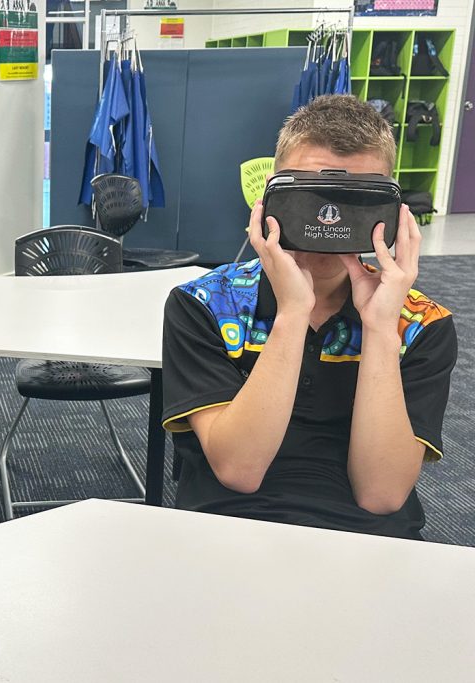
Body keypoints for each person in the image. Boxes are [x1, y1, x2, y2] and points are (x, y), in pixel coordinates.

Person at [161, 94, 457, 540]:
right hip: (229, 528)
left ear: (392, 214)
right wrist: (293, 313)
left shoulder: (421, 325)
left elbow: (381, 495)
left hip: (365, 541)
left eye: (354, 201)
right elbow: (239, 470)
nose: (328, 221)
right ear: (269, 202)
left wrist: (379, 327)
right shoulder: (204, 304)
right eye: (310, 197)